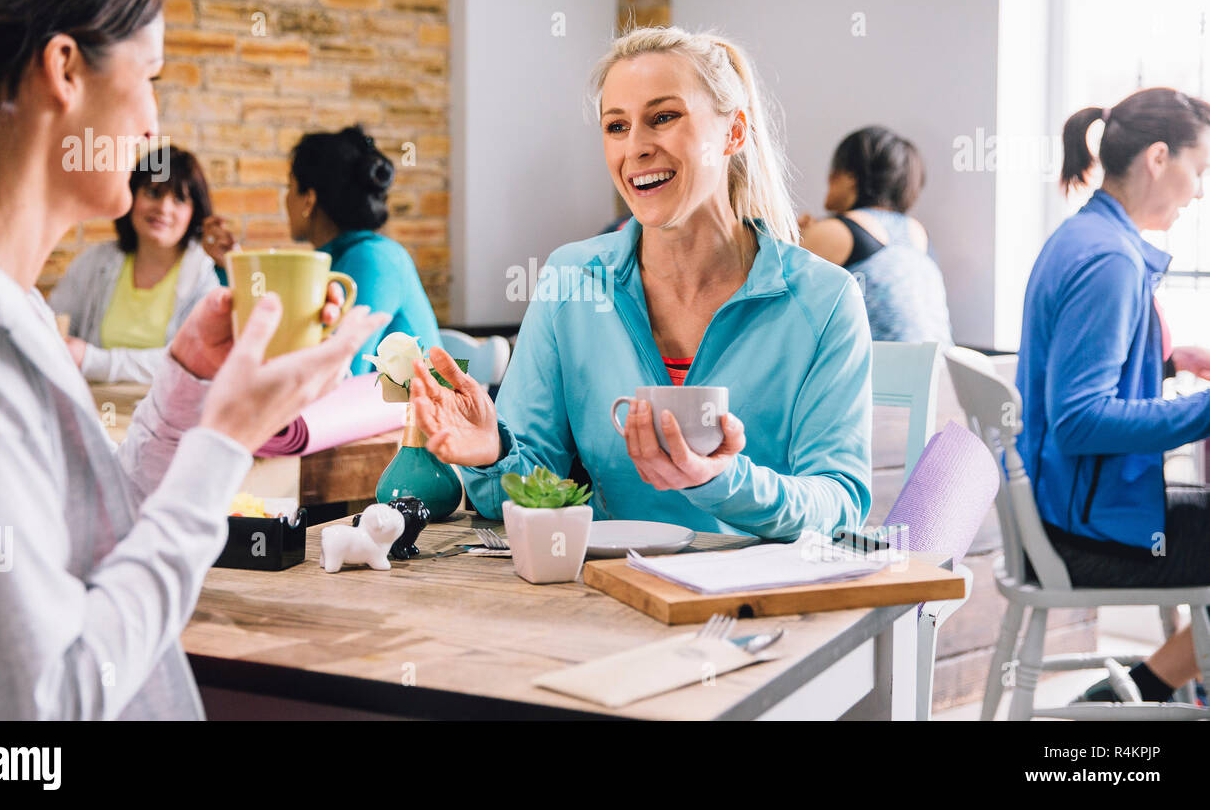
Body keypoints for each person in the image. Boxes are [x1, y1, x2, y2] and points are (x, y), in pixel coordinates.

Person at [0, 0, 388, 720]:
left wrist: (186, 390)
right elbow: (41, 710)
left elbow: (101, 544)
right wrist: (225, 441)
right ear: (64, 70)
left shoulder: (6, 300)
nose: (153, 121)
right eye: (150, 78)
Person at [406, 26, 873, 540]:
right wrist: (492, 452)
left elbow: (838, 505)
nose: (636, 148)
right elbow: (520, 493)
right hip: (609, 594)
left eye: (663, 118)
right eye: (616, 126)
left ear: (734, 132)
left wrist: (723, 480)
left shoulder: (825, 300)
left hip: (758, 602)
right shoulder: (570, 281)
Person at [1016, 88, 1210, 704]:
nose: (1200, 191)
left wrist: (1174, 359)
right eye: (1199, 170)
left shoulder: (1088, 236)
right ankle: (1132, 700)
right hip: (1079, 537)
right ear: (1159, 157)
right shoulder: (1110, 261)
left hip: (1062, 511)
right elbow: (1079, 420)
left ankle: (1144, 692)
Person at [202, 125, 441, 376]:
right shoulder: (340, 259)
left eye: (290, 187)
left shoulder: (373, 259)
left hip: (419, 413)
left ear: (308, 199)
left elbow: (337, 373)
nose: (287, 199)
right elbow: (285, 337)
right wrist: (228, 264)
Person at [49, 145, 218, 383]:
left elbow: (191, 361)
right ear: (131, 195)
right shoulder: (94, 262)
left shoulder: (204, 275)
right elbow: (53, 329)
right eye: (153, 193)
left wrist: (93, 361)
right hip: (91, 410)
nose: (163, 209)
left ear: (194, 213)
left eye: (179, 199)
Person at [798, 126, 953, 345]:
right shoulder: (918, 234)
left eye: (835, 171)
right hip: (940, 370)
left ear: (850, 177)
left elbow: (772, 290)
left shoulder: (839, 230)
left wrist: (793, 236)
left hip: (881, 372)